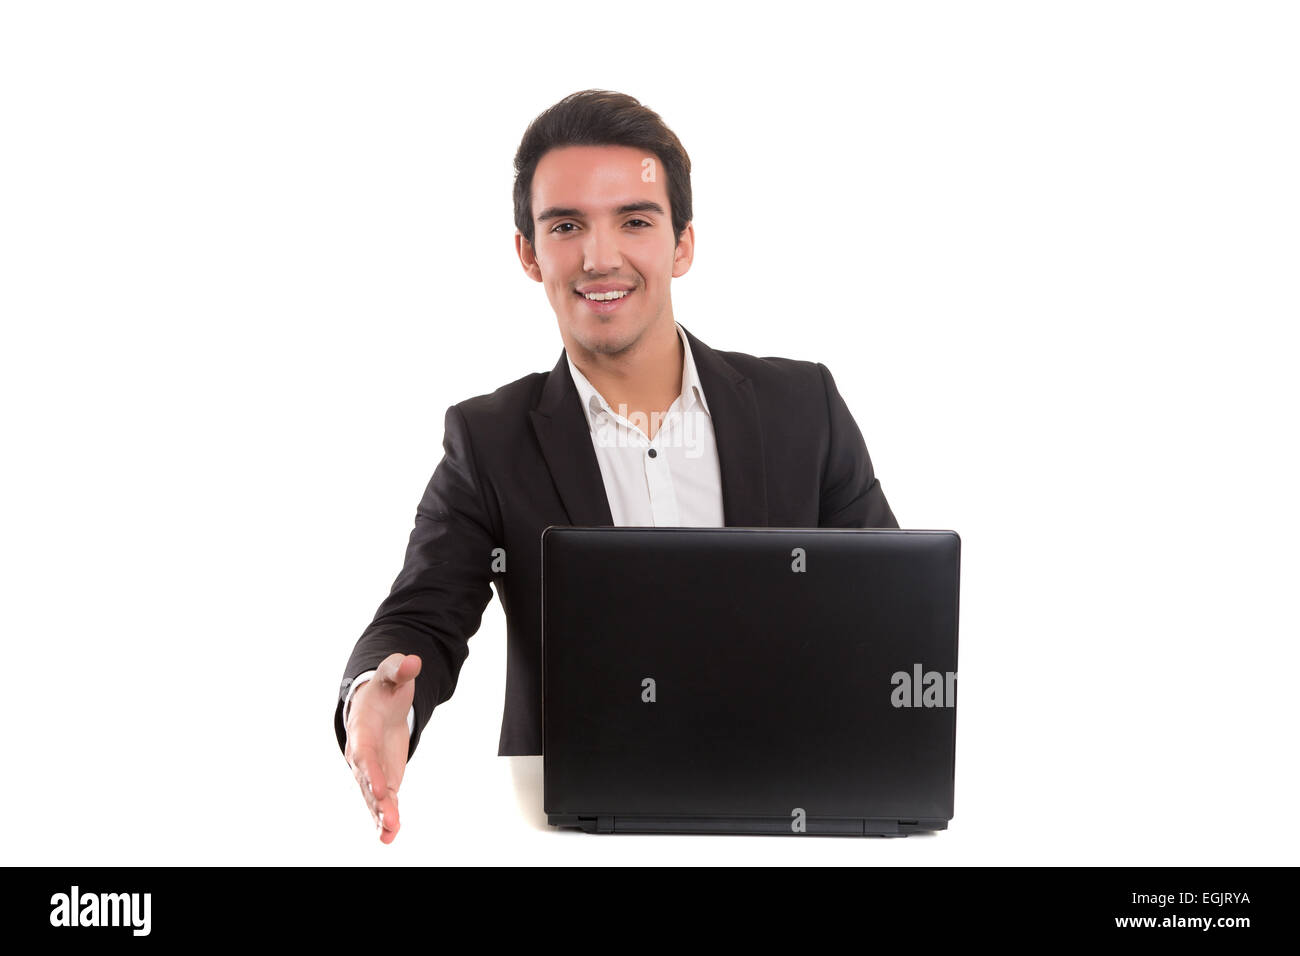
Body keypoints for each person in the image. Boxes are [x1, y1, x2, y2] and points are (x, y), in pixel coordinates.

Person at [336, 89, 899, 843]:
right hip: (581, 833)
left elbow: (890, 616)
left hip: (790, 821)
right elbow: (421, 618)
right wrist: (373, 692)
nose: (601, 257)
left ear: (683, 243)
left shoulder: (805, 408)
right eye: (567, 226)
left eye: (635, 220)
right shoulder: (489, 440)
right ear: (530, 254)